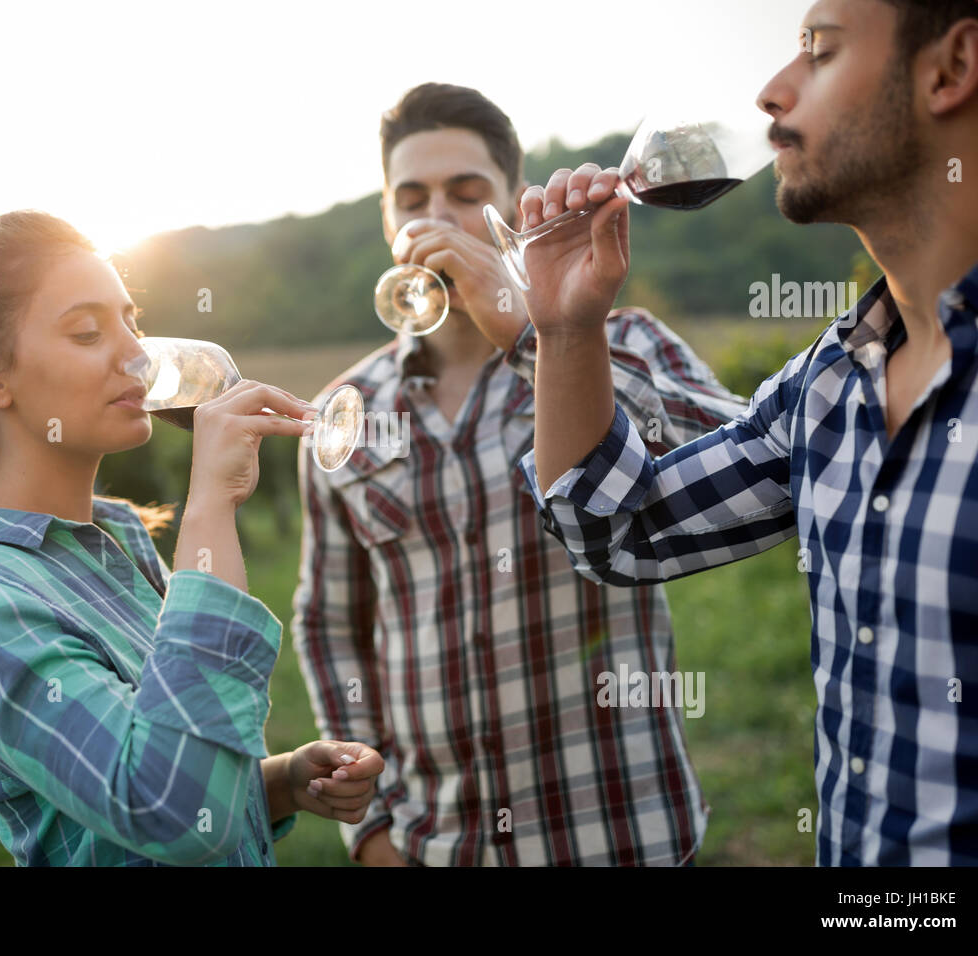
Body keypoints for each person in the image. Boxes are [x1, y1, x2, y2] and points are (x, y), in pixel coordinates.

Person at [511, 0, 978, 865]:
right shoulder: (830, 383)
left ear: (950, 68)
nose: (774, 92)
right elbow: (617, 532)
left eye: (819, 53)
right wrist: (567, 329)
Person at [291, 83, 748, 866]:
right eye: (413, 197)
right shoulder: (343, 410)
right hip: (436, 846)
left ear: (509, 207)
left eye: (467, 194)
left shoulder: (617, 342)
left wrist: (534, 330)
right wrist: (369, 833)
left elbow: (750, 462)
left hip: (620, 834)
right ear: (387, 219)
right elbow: (330, 624)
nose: (436, 216)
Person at [0, 209, 383, 866]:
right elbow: (170, 812)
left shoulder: (116, 542)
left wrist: (278, 782)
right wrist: (210, 508)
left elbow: (177, 759)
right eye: (86, 332)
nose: (137, 355)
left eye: (131, 322)